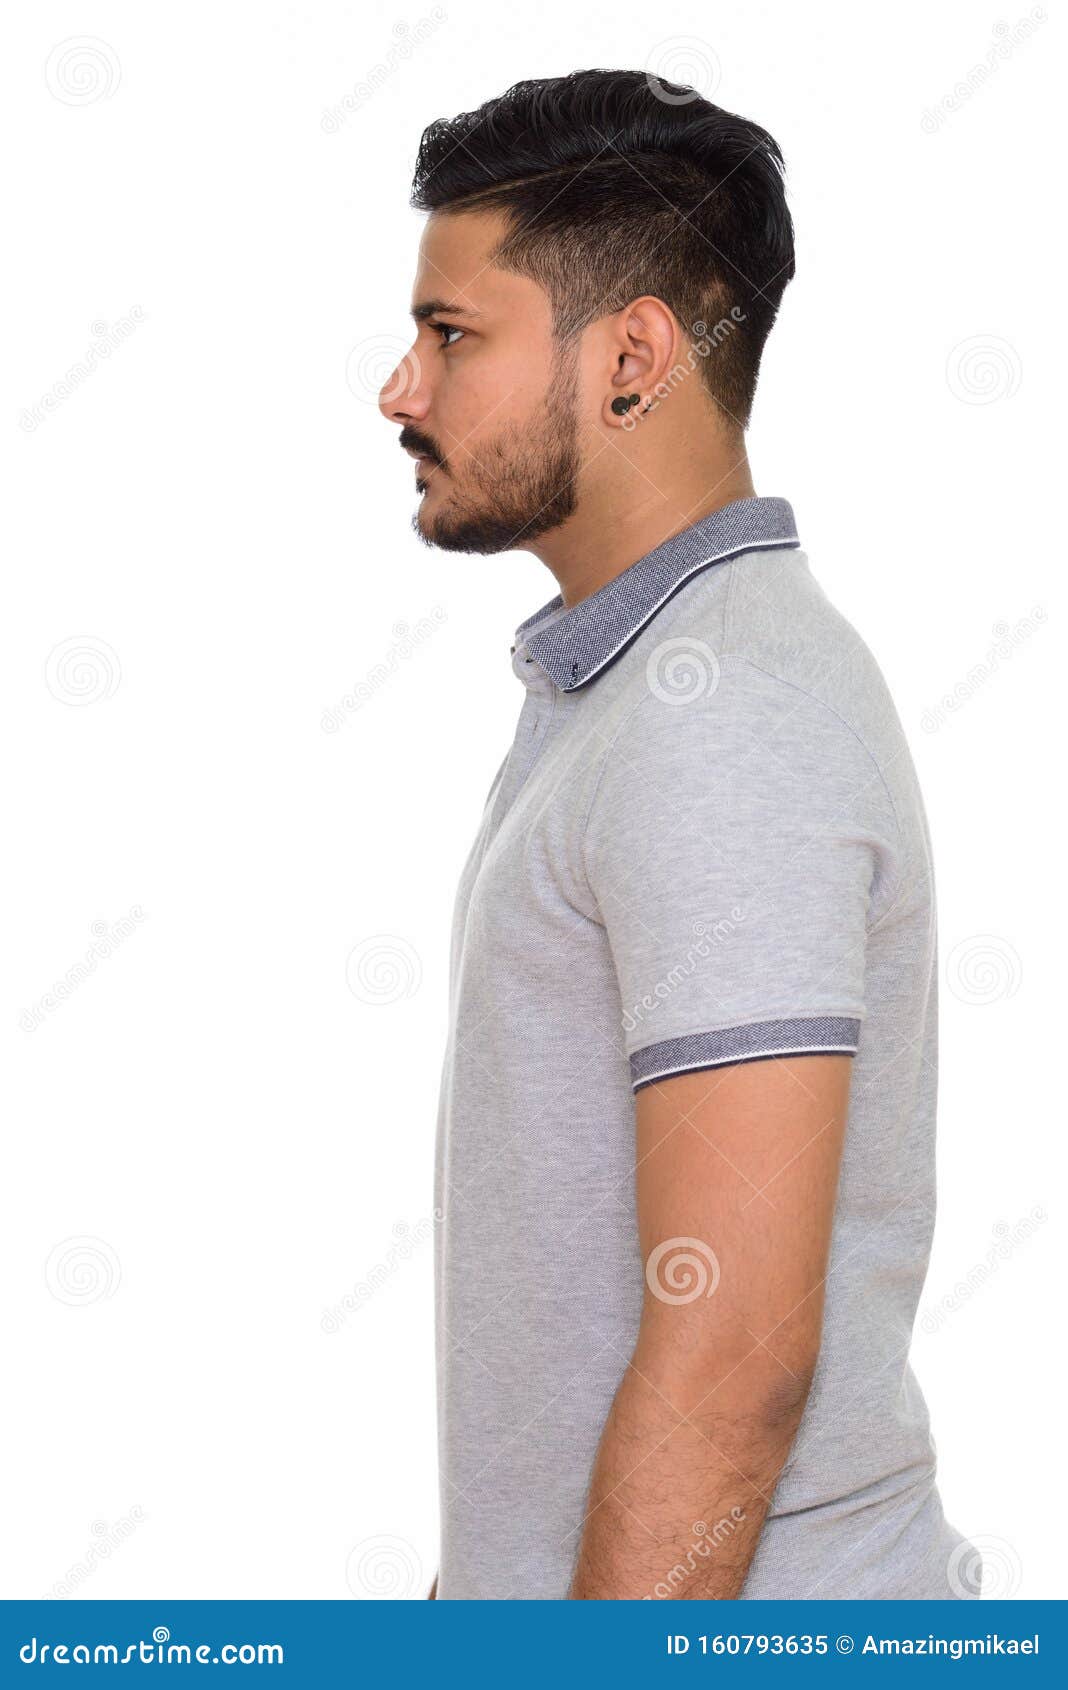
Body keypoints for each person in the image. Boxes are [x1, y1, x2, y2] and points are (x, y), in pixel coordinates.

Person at [379, 68, 978, 1601]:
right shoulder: (642, 683)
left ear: (635, 357)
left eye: (453, 335)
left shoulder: (719, 721)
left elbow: (735, 1361)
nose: (401, 390)